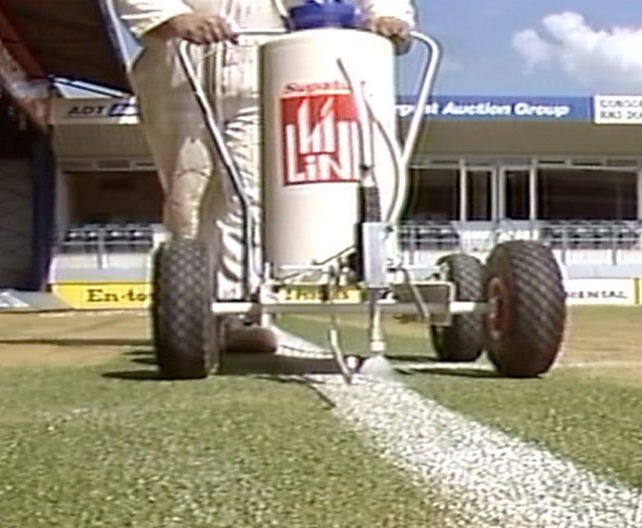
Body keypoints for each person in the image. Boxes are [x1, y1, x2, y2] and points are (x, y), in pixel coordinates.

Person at [115, 0, 416, 352]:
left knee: (249, 195)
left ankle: (238, 310)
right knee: (188, 197)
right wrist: (174, 18)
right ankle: (193, 305)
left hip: (270, 67)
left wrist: (388, 15)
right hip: (180, 69)